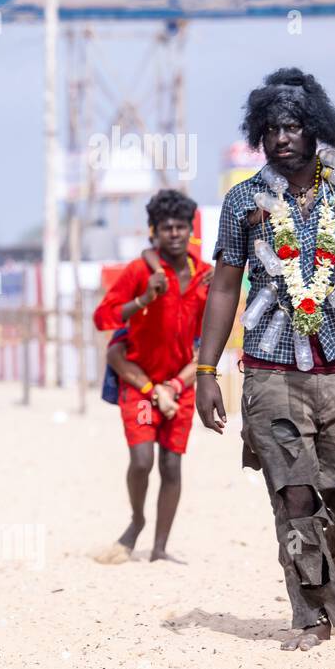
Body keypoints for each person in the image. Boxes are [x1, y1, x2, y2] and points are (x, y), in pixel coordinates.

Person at [196, 67, 335, 652]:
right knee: (295, 495)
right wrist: (206, 372)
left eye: (294, 126)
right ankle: (310, 616)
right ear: (258, 135)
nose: (283, 137)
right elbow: (225, 285)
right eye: (272, 128)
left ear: (316, 131)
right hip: (270, 370)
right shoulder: (243, 201)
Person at [92, 190, 211, 564]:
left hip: (181, 383)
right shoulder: (138, 272)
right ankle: (137, 519)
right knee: (142, 461)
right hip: (139, 382)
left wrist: (176, 386)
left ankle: (159, 549)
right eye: (166, 228)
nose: (174, 234)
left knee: (172, 464)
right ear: (154, 232)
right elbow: (103, 318)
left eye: (180, 227)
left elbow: (210, 339)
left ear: (189, 230)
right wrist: (143, 299)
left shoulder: (205, 276)